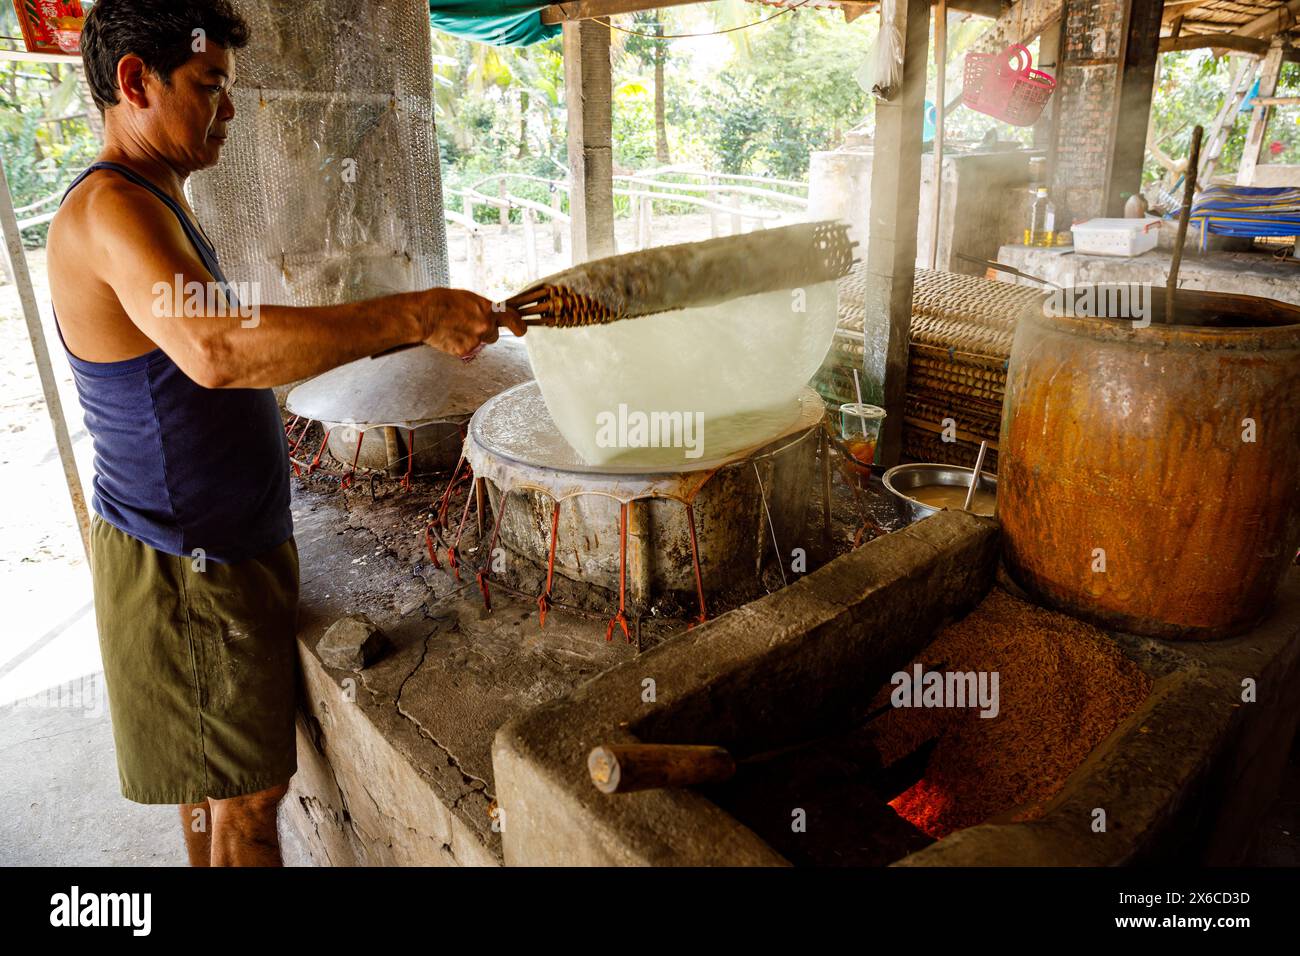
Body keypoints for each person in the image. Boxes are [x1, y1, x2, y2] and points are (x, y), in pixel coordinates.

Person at [45, 0, 525, 866]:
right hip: (186, 563)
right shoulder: (111, 209)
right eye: (209, 86)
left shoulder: (154, 202)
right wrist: (414, 314)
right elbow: (219, 349)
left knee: (213, 789)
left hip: (214, 549)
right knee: (246, 808)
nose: (228, 109)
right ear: (132, 81)